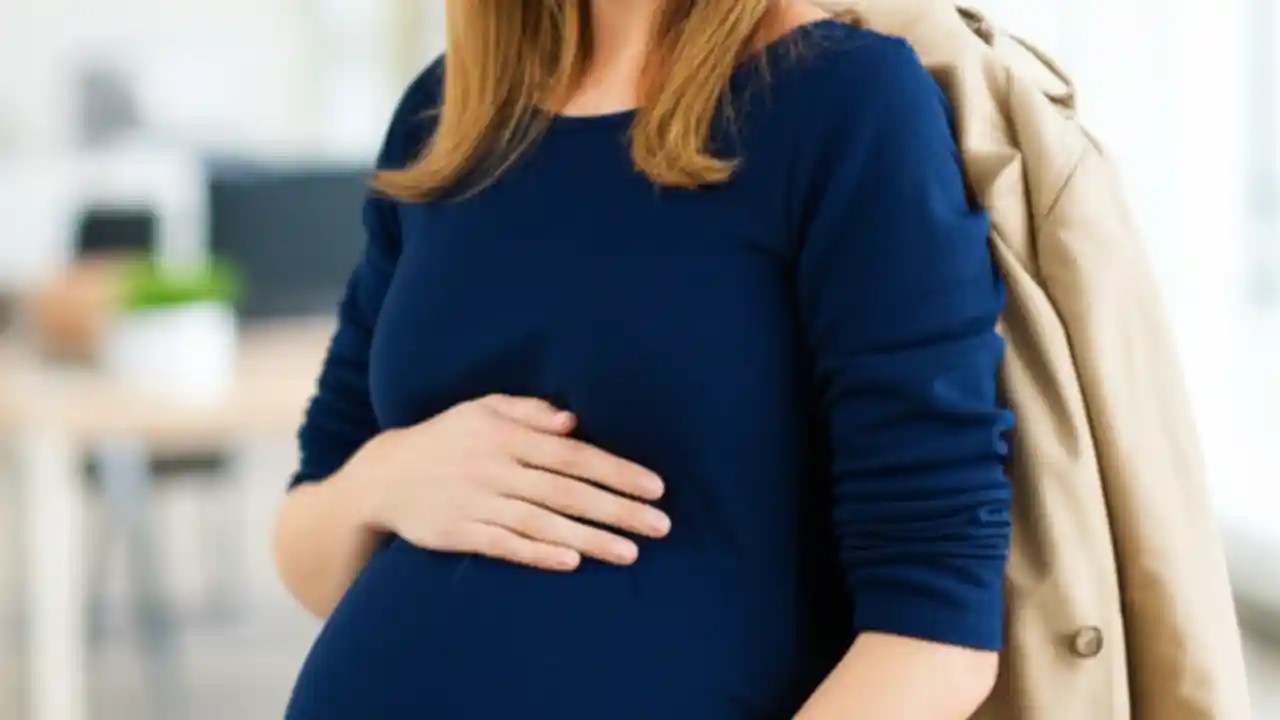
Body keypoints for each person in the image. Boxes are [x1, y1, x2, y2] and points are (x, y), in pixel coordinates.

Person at [272, 1, 1014, 717]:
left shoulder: (845, 100)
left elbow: (936, 630)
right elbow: (304, 542)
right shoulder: (446, 111)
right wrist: (384, 479)